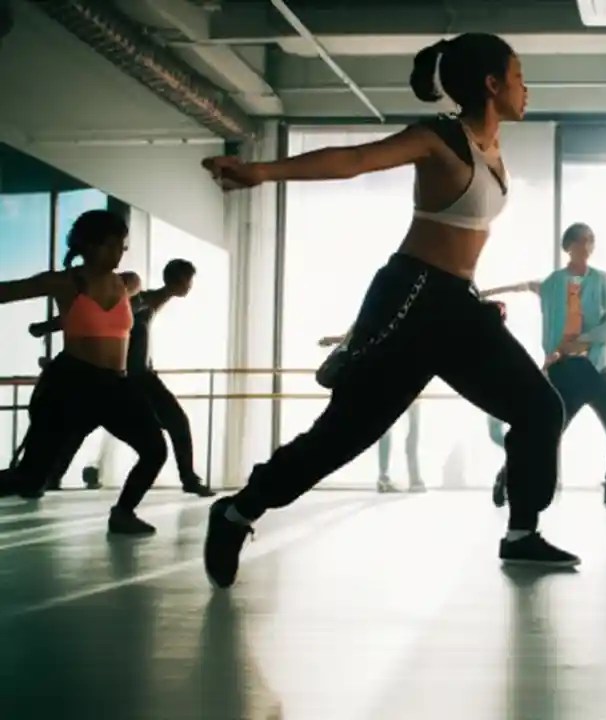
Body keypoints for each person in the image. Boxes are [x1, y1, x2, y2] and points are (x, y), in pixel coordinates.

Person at [199, 33, 578, 587]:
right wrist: (263, 172)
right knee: (344, 436)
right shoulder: (437, 138)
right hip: (411, 299)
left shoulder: (491, 149)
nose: (527, 88)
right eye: (519, 76)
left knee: (540, 408)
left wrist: (470, 299)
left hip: (456, 303)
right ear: (493, 84)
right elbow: (352, 160)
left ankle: (521, 534)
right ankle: (236, 512)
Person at [0, 210, 168, 535]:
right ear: (90, 246)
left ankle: (123, 513)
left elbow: (141, 289)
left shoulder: (127, 283)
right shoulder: (65, 283)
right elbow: (7, 291)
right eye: (114, 244)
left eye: (122, 245)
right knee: (30, 478)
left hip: (115, 387)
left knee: (154, 450)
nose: (121, 251)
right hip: (71, 384)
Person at [486, 223, 606, 509]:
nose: (588, 245)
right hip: (564, 371)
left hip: (597, 366)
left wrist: (583, 340)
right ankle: (506, 477)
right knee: (542, 431)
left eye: (591, 240)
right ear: (568, 245)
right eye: (582, 240)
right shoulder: (553, 283)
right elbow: (521, 286)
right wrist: (483, 294)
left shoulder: (603, 281)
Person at [29, 259, 215, 498]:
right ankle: (46, 478)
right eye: (188, 280)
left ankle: (48, 478)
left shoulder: (153, 301)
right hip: (130, 378)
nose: (189, 286)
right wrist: (45, 327)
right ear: (178, 280)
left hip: (134, 376)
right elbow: (90, 315)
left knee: (81, 427)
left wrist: (43, 328)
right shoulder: (141, 301)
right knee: (81, 427)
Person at [318, 331, 424, 493]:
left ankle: (388, 477)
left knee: (393, 429)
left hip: (389, 380)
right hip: (405, 379)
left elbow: (356, 333)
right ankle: (411, 478)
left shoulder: (383, 312)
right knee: (409, 430)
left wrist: (332, 340)